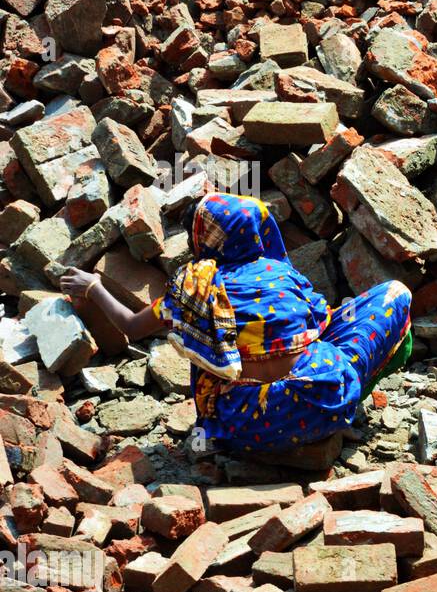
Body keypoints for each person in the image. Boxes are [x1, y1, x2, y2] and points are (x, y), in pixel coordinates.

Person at [60, 192, 413, 455]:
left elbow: (132, 327)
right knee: (390, 298)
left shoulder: (194, 286)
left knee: (208, 344)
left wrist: (94, 288)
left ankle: (228, 438)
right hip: (321, 401)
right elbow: (322, 323)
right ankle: (348, 412)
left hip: (243, 423)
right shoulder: (280, 273)